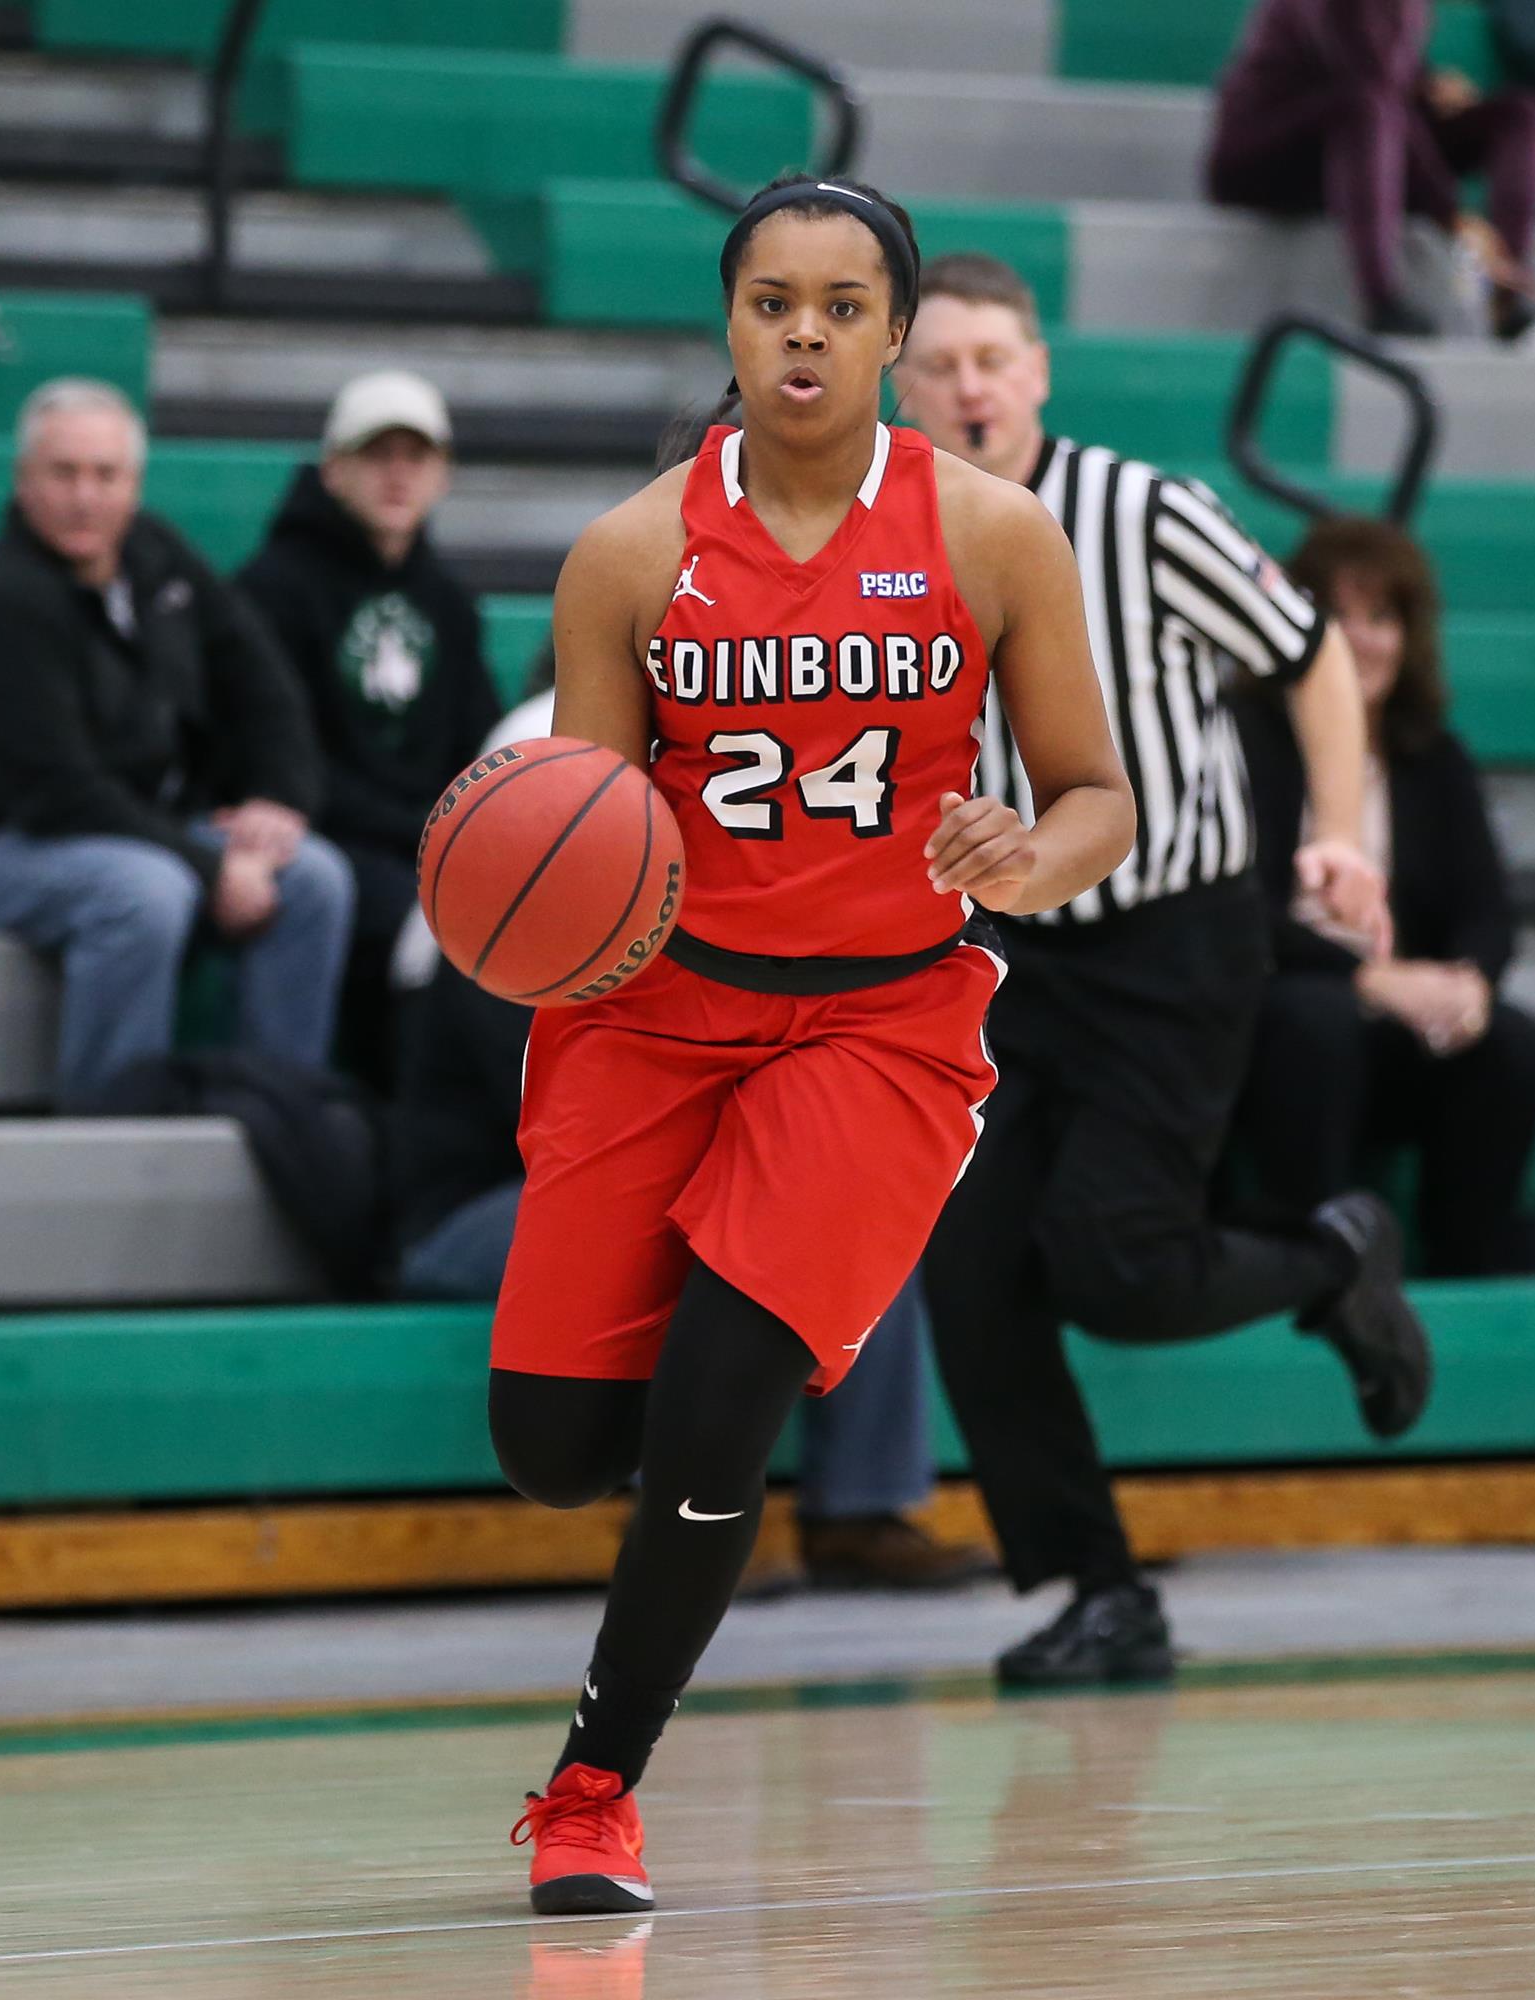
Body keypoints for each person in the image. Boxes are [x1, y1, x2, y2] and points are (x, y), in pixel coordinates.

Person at [500, 175, 1135, 1915]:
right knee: (550, 1447)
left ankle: (592, 1788)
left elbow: (1095, 793)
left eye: (842, 307)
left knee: (722, 1401)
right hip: (656, 1008)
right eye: (771, 302)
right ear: (730, 325)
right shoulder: (628, 555)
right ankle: (691, 1375)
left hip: (879, 1023)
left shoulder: (994, 534)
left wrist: (1033, 855)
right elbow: (587, 835)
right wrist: (517, 894)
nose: (804, 333)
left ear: (893, 335)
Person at [896, 253, 1431, 1691]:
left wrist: (1337, 833)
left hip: (1172, 938)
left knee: (1117, 1264)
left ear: (1039, 371)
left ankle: (1333, 1255)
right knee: (970, 1274)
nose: (969, 386)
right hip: (1004, 952)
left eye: (993, 358)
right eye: (940, 363)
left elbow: (1312, 657)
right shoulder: (884, 540)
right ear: (903, 386)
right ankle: (1102, 1589)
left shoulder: (1143, 512)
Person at [394, 685, 995, 1593]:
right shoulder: (524, 875)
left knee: (860, 1203)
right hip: (471, 1202)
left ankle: (864, 1508)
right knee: (686, 1221)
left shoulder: (697, 871)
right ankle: (681, 1515)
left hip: (648, 1140)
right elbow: (572, 1117)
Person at [0, 378, 354, 1105]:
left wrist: (279, 800)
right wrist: (212, 869)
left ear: (134, 484)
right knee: (142, 895)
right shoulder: (6, 602)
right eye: (64, 473)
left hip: (137, 834)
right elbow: (56, 796)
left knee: (312, 878)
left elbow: (260, 682)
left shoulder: (156, 555)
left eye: (105, 475)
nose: (85, 497)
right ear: (23, 482)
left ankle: (278, 1111)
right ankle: (112, 1127)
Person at [1232, 515, 1535, 1275]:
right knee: (1318, 1020)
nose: (1361, 639)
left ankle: (1470, 1252)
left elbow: (1488, 909)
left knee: (1509, 1041)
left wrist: (1468, 981)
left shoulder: (1433, 756)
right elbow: (1239, 912)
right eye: (1337, 616)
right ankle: (1310, 1255)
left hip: (1398, 1019)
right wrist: (1370, 979)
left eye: (1381, 618)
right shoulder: (1245, 738)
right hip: (1277, 1009)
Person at [237, 371, 498, 1086]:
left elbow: (479, 747)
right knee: (412, 920)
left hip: (424, 844)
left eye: (416, 457)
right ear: (333, 469)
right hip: (326, 840)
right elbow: (280, 756)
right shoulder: (271, 590)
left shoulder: (449, 602)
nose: (397, 474)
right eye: (377, 455)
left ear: (443, 475)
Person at [1206, 0, 1535, 351]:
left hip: (1357, 146)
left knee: (1521, 114)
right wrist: (1453, 219)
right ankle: (1382, 301)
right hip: (1262, 161)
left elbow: (1394, 83)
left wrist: (1428, 86)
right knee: (1367, 107)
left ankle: (1508, 298)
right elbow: (1370, 84)